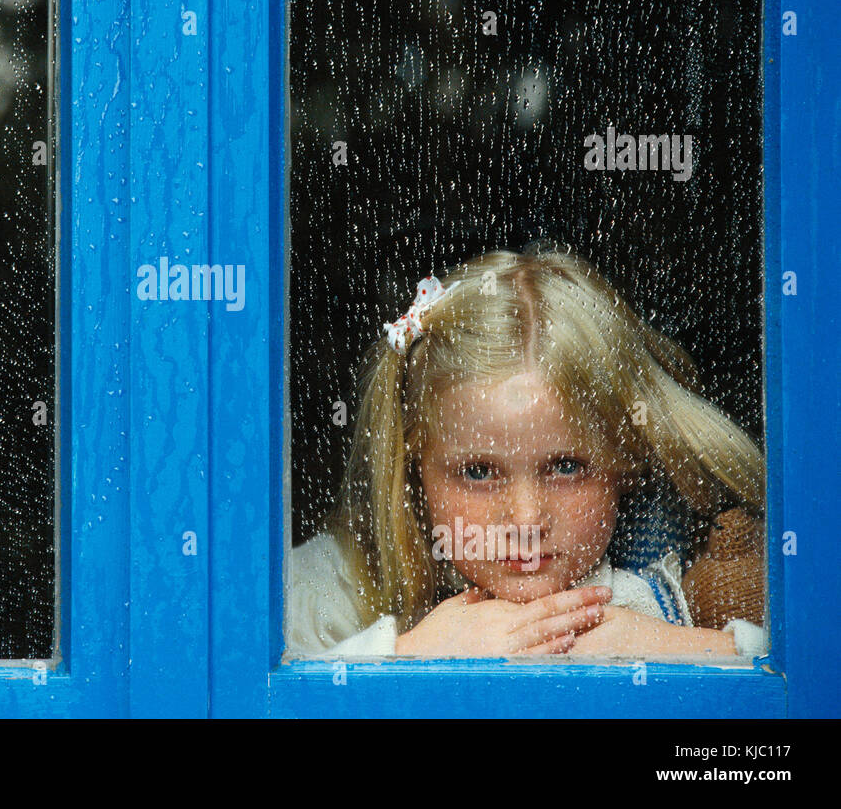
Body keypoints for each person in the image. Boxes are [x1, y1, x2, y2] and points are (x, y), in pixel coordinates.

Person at [287, 245, 767, 659]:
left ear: (628, 458)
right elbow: (240, 691)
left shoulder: (697, 559)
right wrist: (406, 655)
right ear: (414, 464)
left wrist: (694, 650)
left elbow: (821, 665)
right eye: (477, 471)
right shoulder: (330, 586)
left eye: (566, 466)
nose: (524, 518)